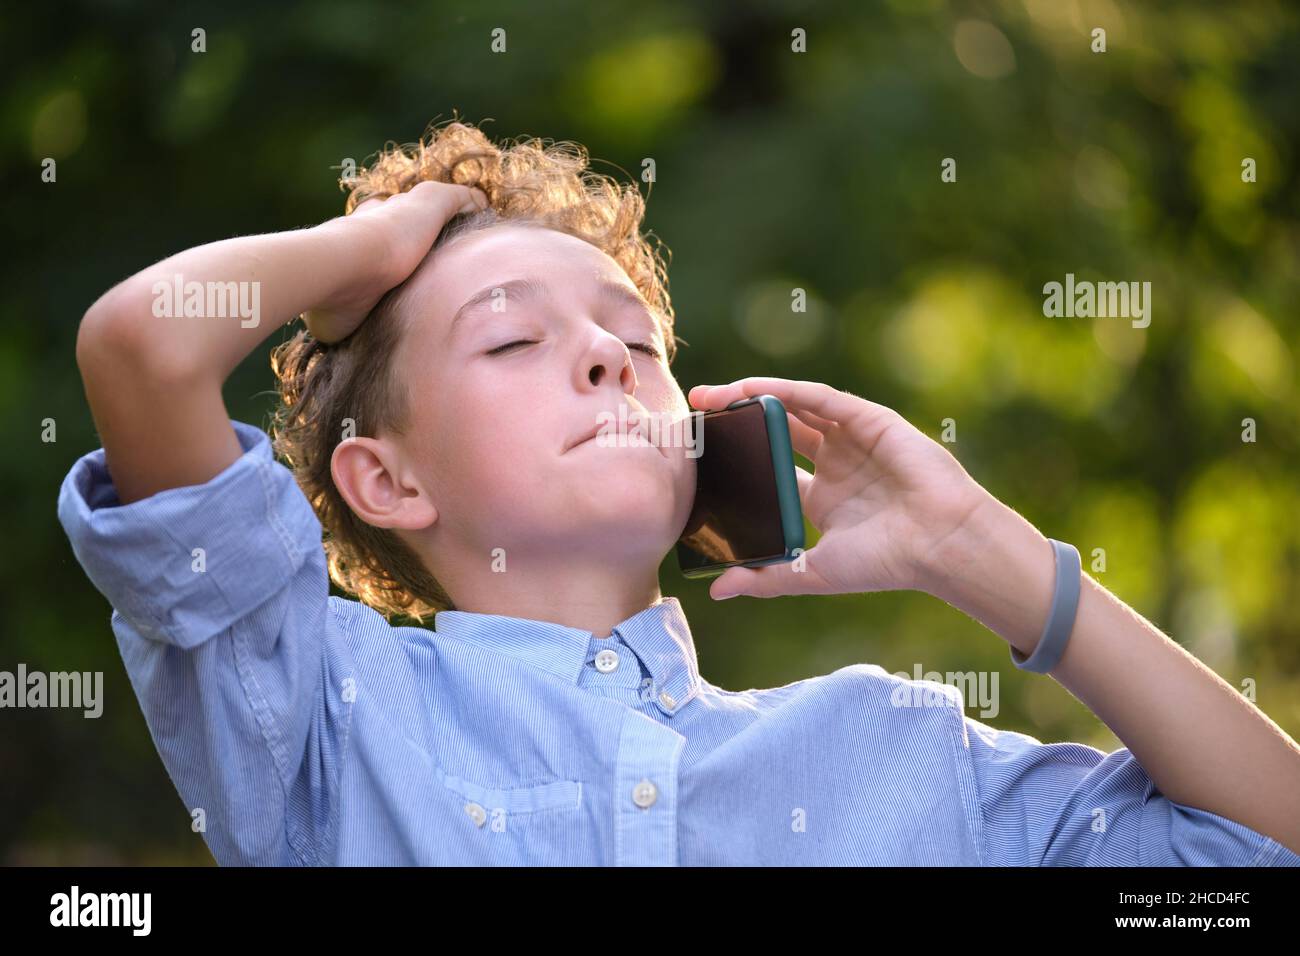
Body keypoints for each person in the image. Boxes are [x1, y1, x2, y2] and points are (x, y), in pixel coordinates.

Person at [58, 118, 1300, 865]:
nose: (606, 355)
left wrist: (984, 550)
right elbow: (143, 347)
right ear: (386, 478)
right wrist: (374, 246)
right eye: (509, 340)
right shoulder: (320, 721)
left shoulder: (897, 755)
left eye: (636, 342)